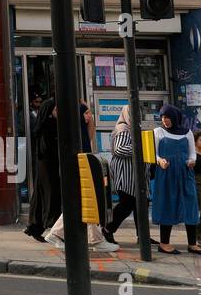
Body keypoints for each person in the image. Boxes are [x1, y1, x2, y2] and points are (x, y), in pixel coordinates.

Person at [44, 101, 117, 253]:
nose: (89, 116)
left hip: (79, 164)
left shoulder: (76, 127)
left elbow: (90, 135)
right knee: (86, 200)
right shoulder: (75, 127)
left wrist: (88, 118)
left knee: (84, 202)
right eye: (86, 113)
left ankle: (94, 239)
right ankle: (59, 233)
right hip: (80, 165)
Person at [151, 104, 201, 255]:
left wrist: (191, 161)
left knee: (190, 205)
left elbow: (192, 153)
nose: (164, 120)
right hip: (166, 174)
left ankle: (192, 244)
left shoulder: (187, 133)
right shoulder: (158, 132)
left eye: (167, 117)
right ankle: (164, 243)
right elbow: (153, 153)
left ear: (174, 117)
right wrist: (159, 161)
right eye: (162, 117)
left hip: (185, 173)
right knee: (168, 204)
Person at [102, 104, 140, 245]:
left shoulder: (132, 128)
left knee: (135, 204)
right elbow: (120, 150)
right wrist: (139, 147)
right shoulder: (123, 129)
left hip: (131, 174)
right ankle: (108, 228)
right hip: (125, 174)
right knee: (127, 204)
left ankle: (141, 235)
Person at [24, 98, 61, 241]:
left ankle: (36, 227)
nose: (58, 112)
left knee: (41, 197)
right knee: (50, 196)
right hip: (48, 167)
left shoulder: (48, 124)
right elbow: (48, 148)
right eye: (56, 110)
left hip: (45, 166)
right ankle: (53, 227)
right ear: (49, 112)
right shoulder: (48, 125)